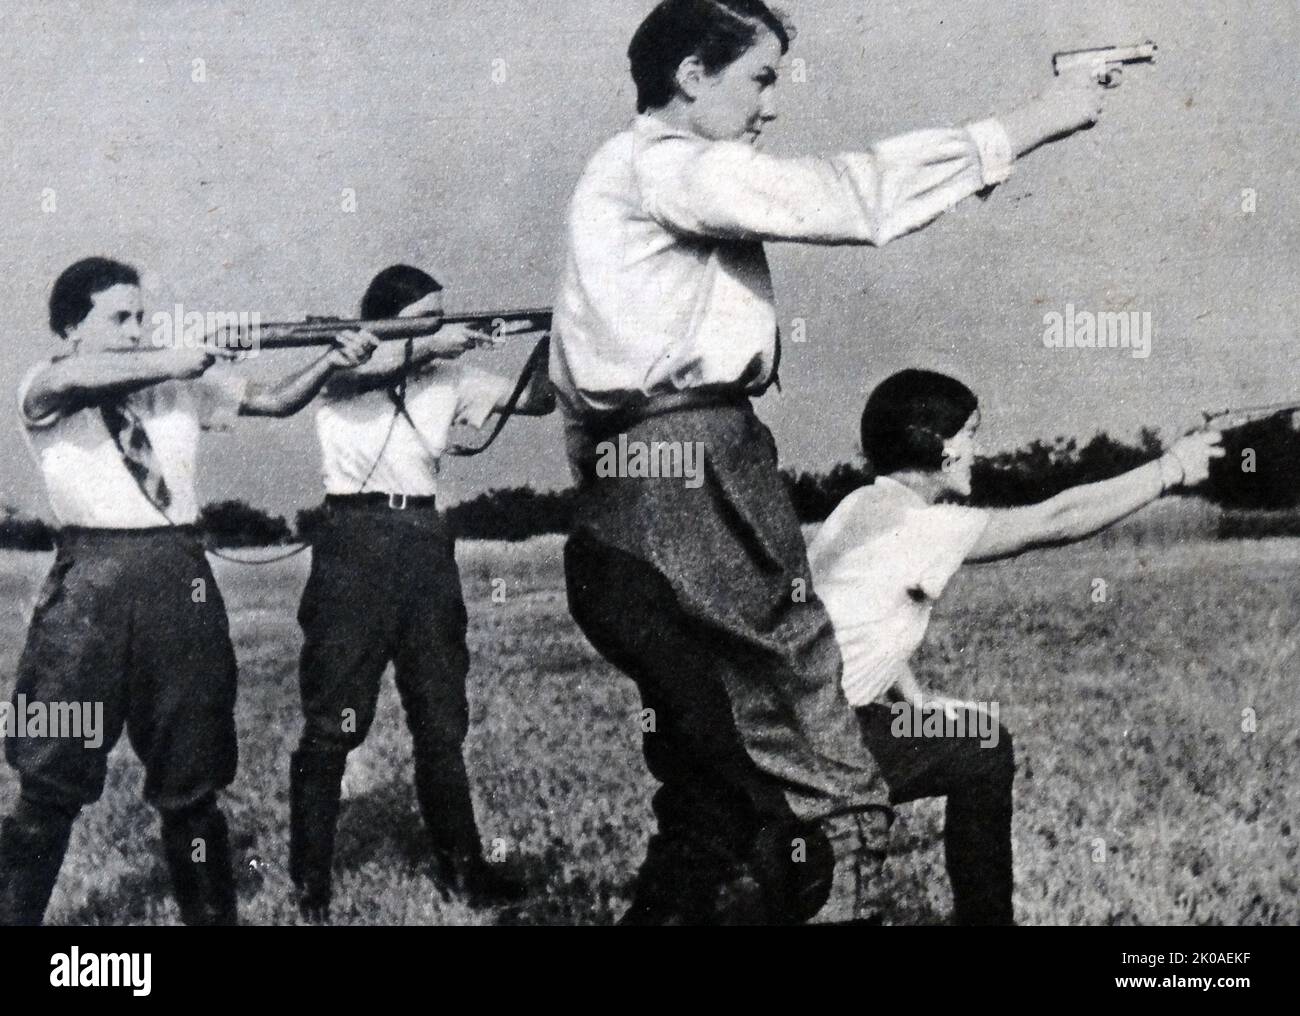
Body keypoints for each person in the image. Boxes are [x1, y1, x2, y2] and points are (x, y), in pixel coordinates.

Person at [551, 0, 1118, 924]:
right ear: (692, 75)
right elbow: (849, 196)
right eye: (759, 78)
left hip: (629, 510)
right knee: (794, 775)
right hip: (693, 493)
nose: (772, 107)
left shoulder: (608, 179)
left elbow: (580, 397)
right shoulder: (671, 167)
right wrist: (1038, 120)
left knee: (715, 789)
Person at [0, 256, 376, 926]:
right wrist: (177, 357)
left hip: (181, 580)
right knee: (49, 781)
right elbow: (78, 378)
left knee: (192, 779)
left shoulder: (176, 386)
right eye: (119, 317)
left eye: (143, 316)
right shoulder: (49, 382)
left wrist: (331, 360)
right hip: (90, 588)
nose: (136, 329)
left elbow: (277, 399)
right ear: (72, 328)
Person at [807, 369, 1224, 924]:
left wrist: (917, 702)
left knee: (978, 742)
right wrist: (1169, 470)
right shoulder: (923, 524)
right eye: (970, 434)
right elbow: (1057, 519)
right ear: (939, 444)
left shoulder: (858, 507)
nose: (977, 451)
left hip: (801, 723)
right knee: (983, 749)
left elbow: (854, 623)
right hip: (826, 743)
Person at [289, 264, 554, 921]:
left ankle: (466, 872)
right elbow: (359, 373)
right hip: (354, 537)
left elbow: (541, 398)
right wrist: (433, 343)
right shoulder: (345, 361)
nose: (438, 326)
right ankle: (309, 888)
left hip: (424, 537)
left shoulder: (449, 375)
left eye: (441, 316)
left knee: (441, 718)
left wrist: (558, 328)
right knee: (334, 723)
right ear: (387, 318)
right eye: (423, 315)